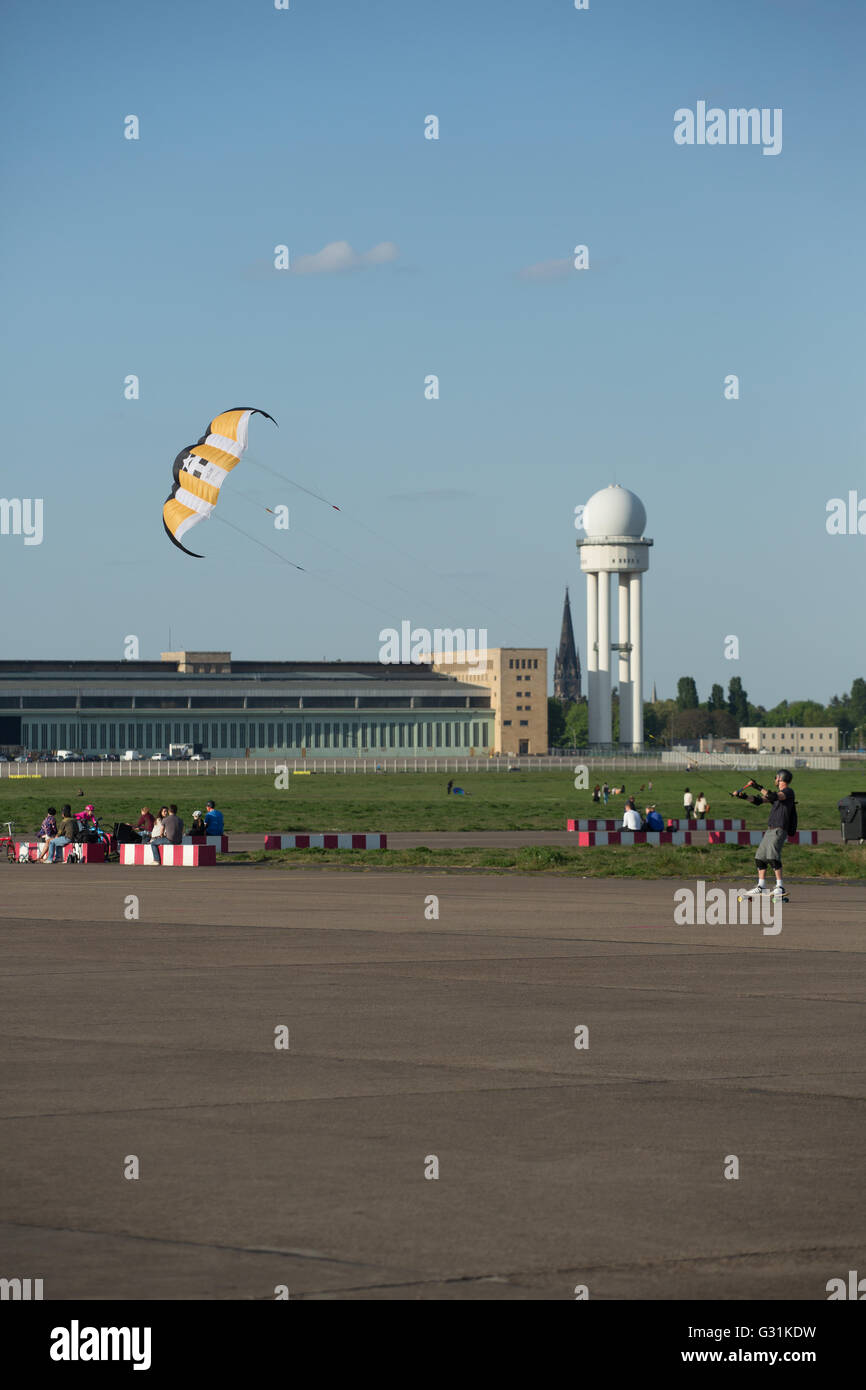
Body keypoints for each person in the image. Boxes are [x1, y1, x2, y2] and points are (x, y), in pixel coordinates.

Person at [733, 771, 796, 900]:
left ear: (779, 778)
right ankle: (761, 886)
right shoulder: (776, 796)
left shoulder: (788, 792)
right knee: (760, 857)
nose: (775, 780)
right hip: (770, 830)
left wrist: (757, 787)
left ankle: (780, 886)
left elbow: (773, 796)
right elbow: (758, 801)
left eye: (776, 778)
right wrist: (743, 796)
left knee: (772, 857)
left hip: (779, 829)